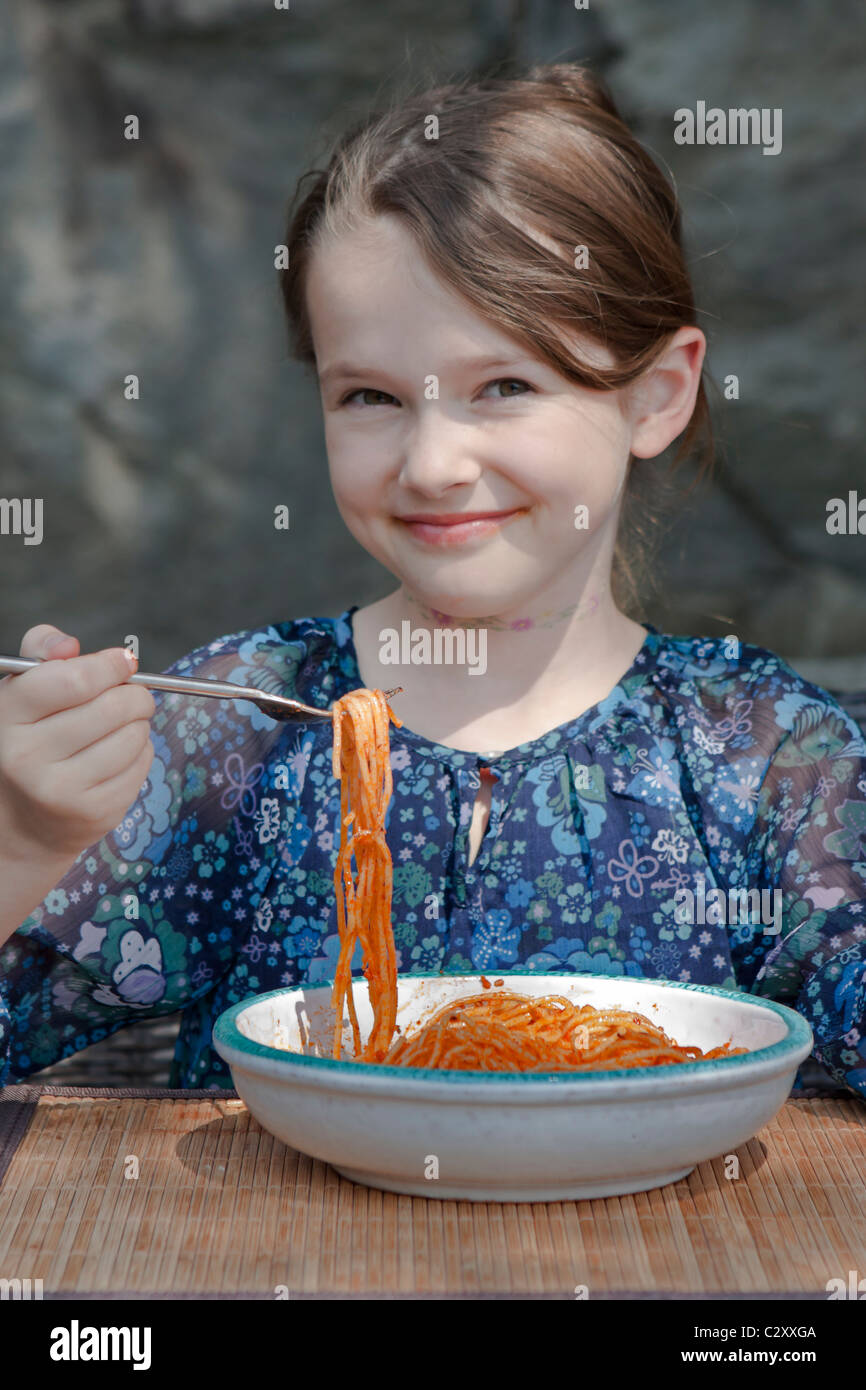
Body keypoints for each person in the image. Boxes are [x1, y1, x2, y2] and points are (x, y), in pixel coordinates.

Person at [1, 64, 863, 1095]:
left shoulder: (763, 756)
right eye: (368, 395)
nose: (431, 463)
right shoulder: (237, 737)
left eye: (503, 384)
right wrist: (25, 839)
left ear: (655, 394)